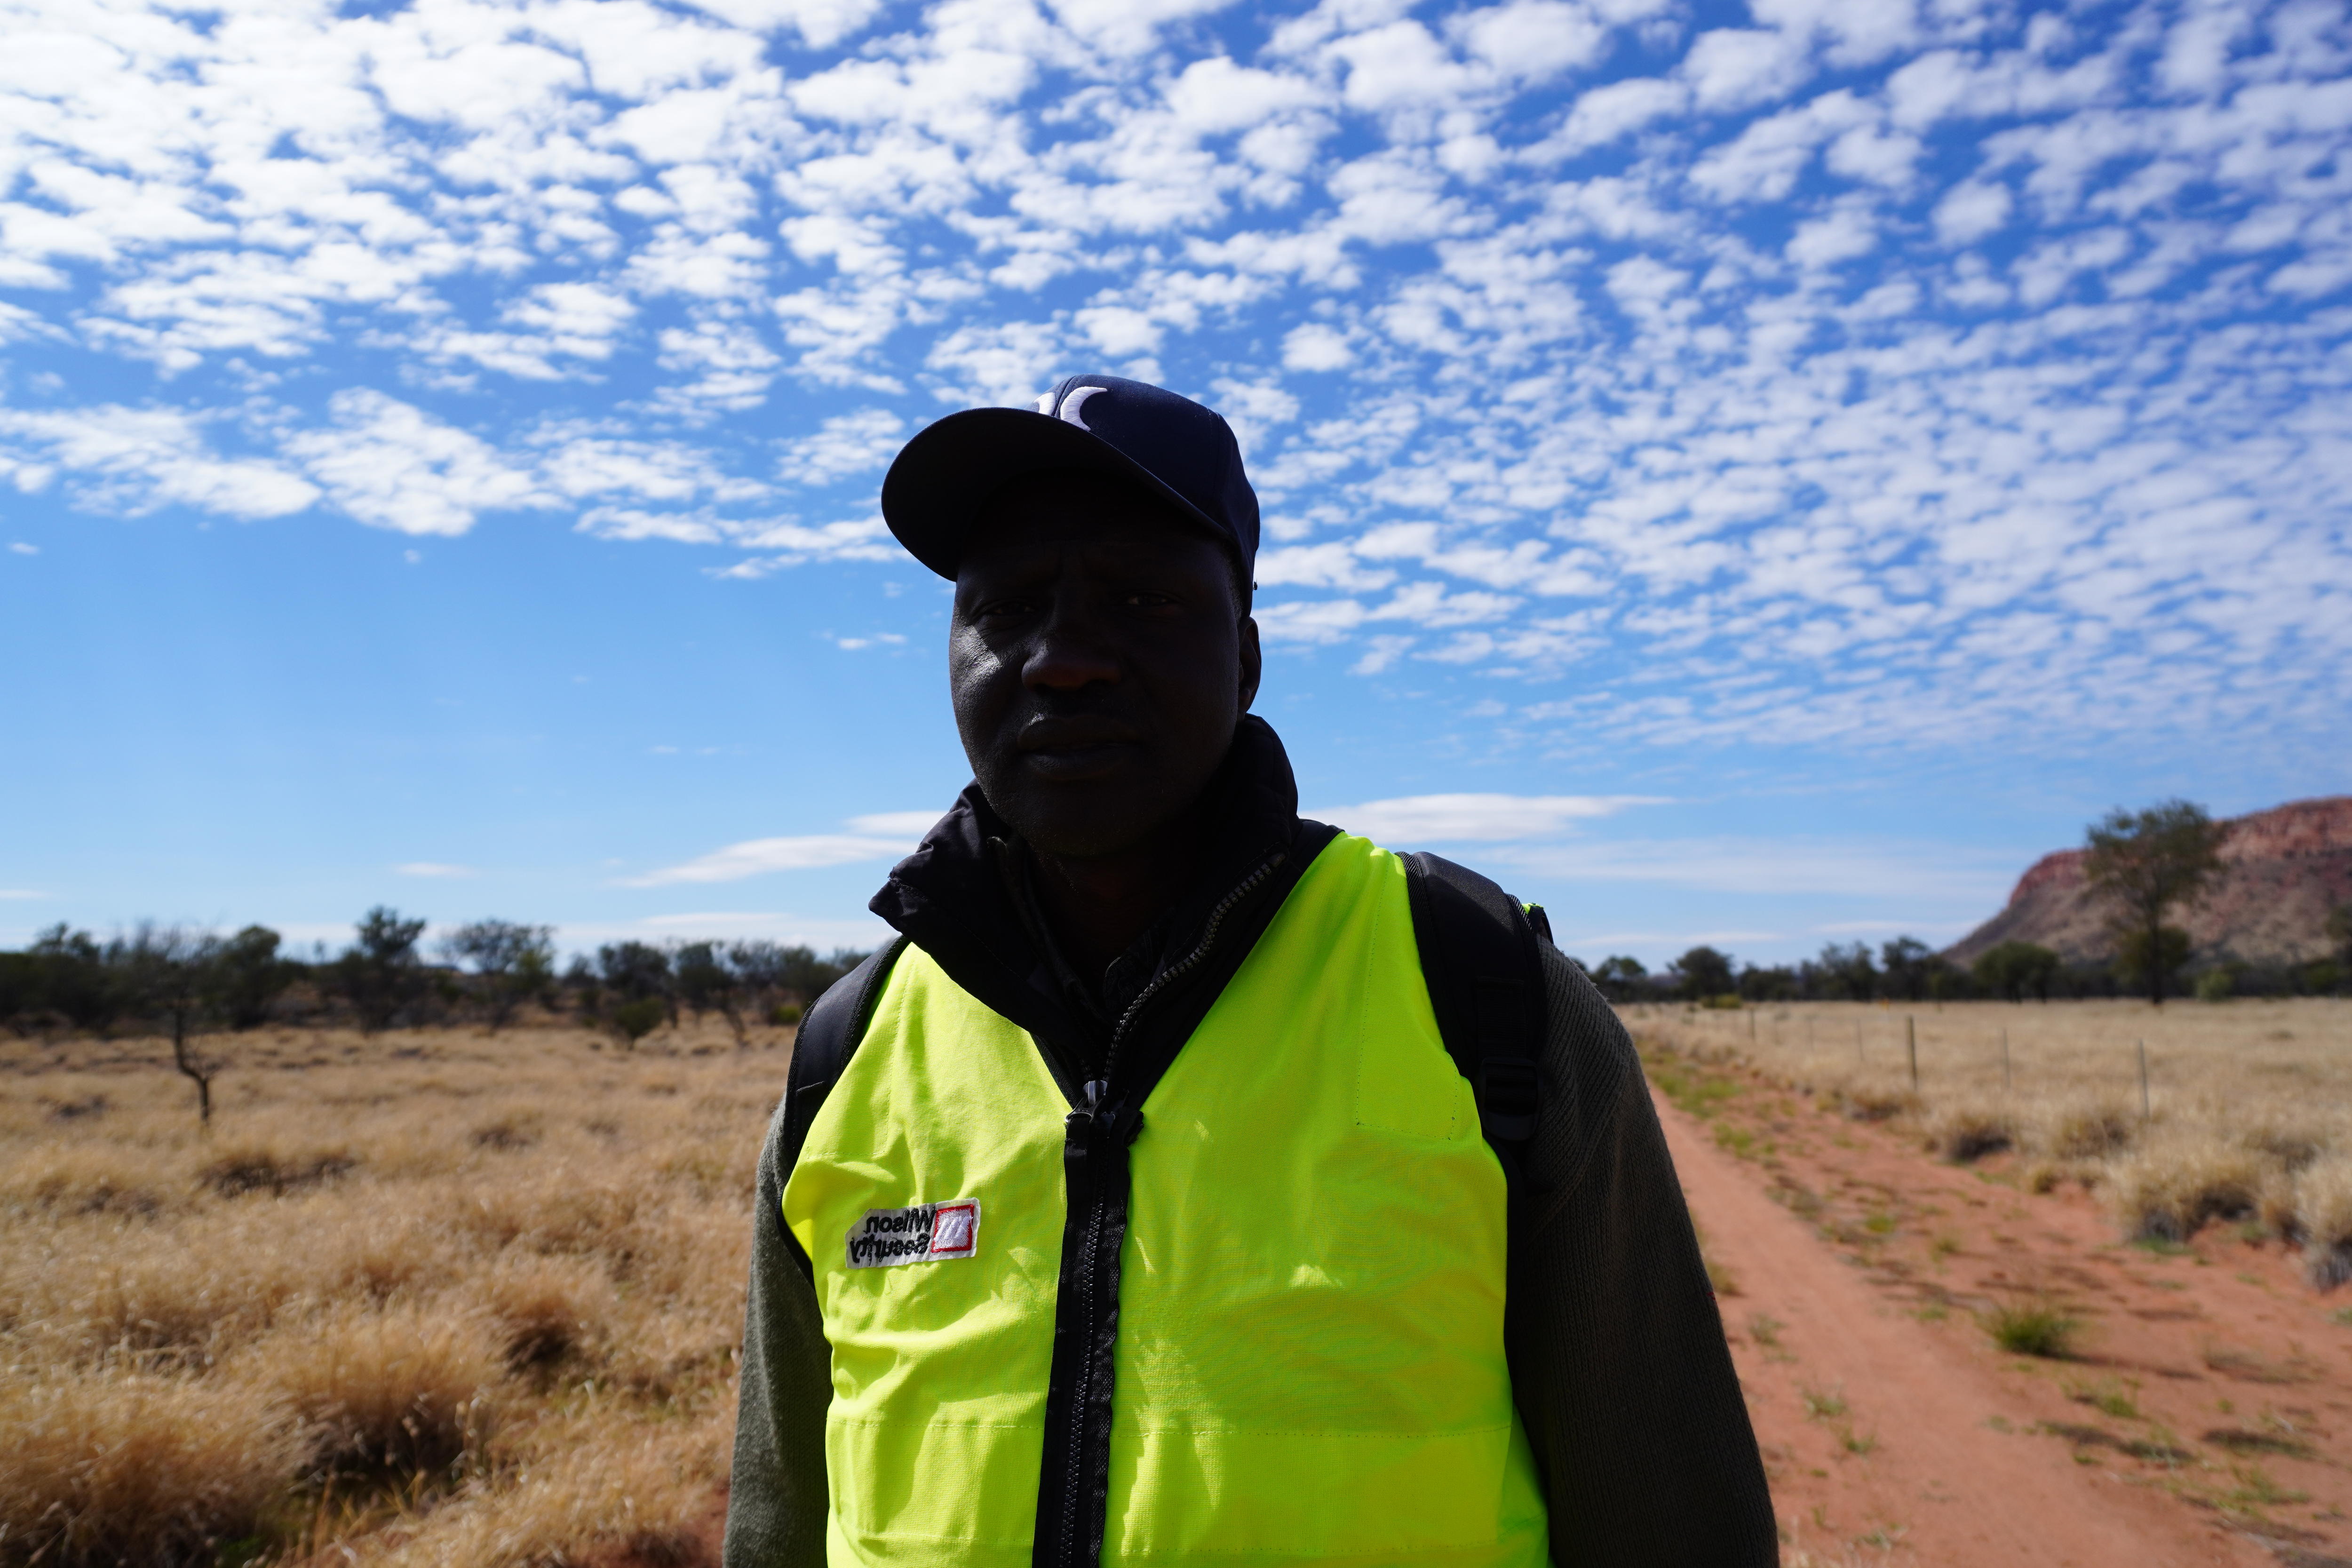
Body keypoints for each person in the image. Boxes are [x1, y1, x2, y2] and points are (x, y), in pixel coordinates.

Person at [725, 374, 1773, 1568]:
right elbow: (777, 1515)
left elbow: (1673, 1512)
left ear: (1247, 655)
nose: (1062, 659)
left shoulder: (1476, 991)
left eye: (1139, 598)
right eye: (1008, 605)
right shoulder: (847, 1047)